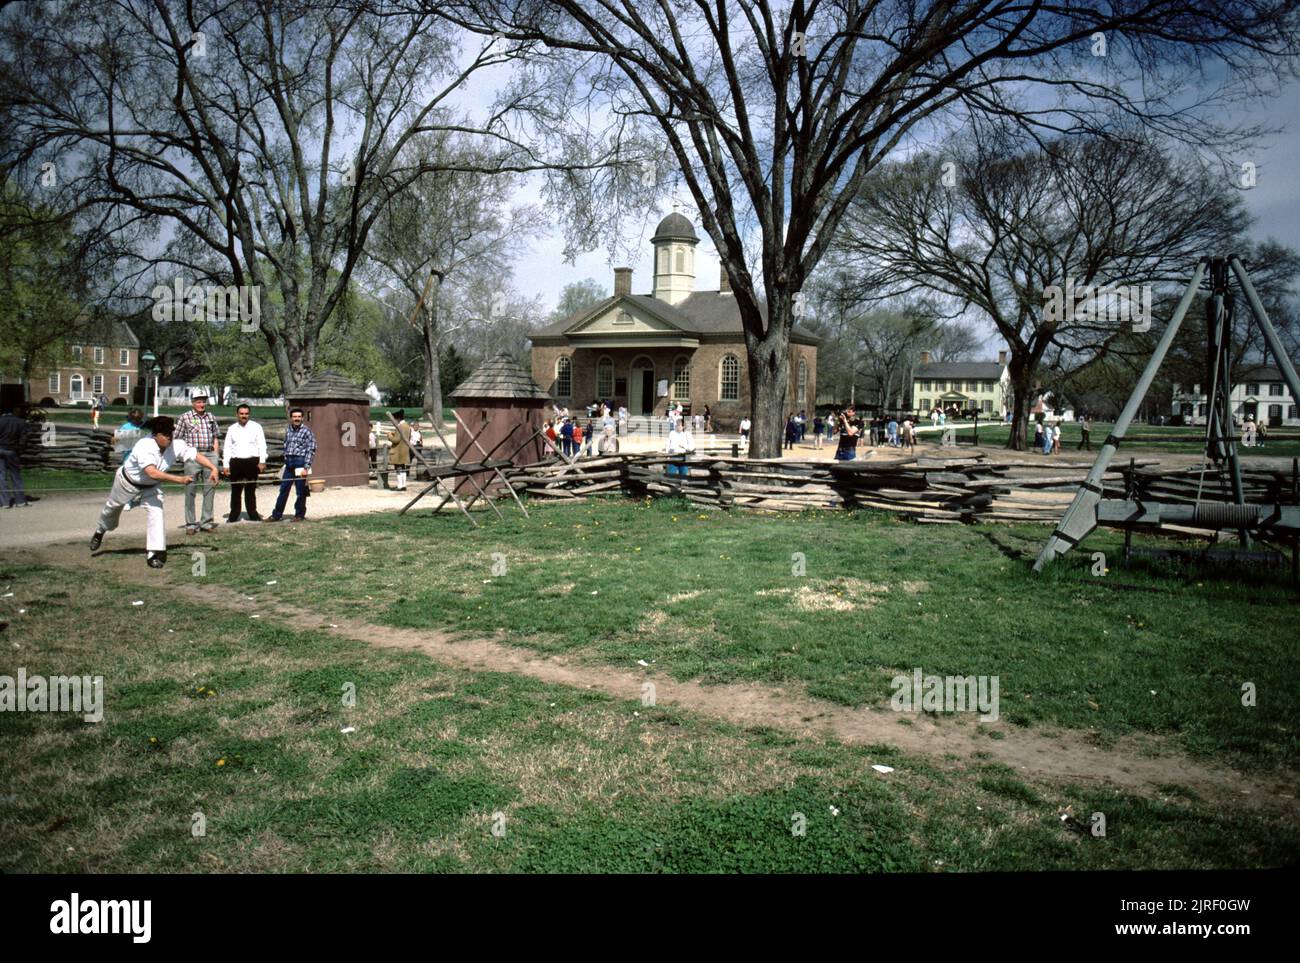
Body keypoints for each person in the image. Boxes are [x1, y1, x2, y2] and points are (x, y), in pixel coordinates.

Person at [90, 416, 217, 568]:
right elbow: (152, 472)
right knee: (112, 509)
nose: (168, 438)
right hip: (127, 482)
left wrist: (213, 468)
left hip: (151, 486)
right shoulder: (144, 445)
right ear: (155, 435)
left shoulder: (176, 445)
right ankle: (100, 530)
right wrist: (179, 480)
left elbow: (195, 455)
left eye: (170, 433)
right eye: (164, 435)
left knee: (156, 513)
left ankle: (154, 552)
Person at [174, 393, 221, 534]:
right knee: (190, 489)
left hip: (209, 454)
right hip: (193, 455)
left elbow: (215, 437)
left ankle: (206, 522)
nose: (201, 405)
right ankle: (190, 524)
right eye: (199, 402)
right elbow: (177, 437)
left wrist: (216, 455)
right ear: (193, 403)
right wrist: (185, 453)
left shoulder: (211, 417)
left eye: (203, 402)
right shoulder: (185, 417)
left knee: (209, 489)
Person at [266, 407, 316, 522]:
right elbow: (286, 445)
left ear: (302, 418)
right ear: (291, 418)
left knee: (300, 491)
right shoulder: (289, 430)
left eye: (299, 417)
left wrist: (306, 467)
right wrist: (285, 459)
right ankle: (276, 515)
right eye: (294, 417)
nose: (297, 419)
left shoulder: (307, 431)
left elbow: (311, 449)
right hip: (289, 462)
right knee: (283, 489)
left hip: (300, 462)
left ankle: (299, 515)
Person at [222, 404, 267, 522]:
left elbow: (262, 445)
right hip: (236, 462)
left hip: (252, 461)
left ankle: (252, 513)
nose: (244, 416)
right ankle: (234, 514)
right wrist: (226, 464)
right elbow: (227, 447)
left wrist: (262, 461)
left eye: (246, 414)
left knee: (250, 490)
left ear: (249, 414)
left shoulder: (256, 427)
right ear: (237, 414)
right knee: (235, 490)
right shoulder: (231, 428)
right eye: (241, 414)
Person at [0, 404, 31, 508]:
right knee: (15, 476)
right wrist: (20, 450)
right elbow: (24, 439)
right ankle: (20, 501)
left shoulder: (1, 420)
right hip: (12, 450)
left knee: (1, 477)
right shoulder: (21, 422)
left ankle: (4, 502)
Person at [389, 409, 411, 491]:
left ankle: (399, 485)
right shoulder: (407, 426)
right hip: (405, 449)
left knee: (398, 468)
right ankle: (403, 484)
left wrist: (389, 435)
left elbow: (396, 440)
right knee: (403, 468)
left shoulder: (399, 426)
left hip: (398, 450)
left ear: (398, 418)